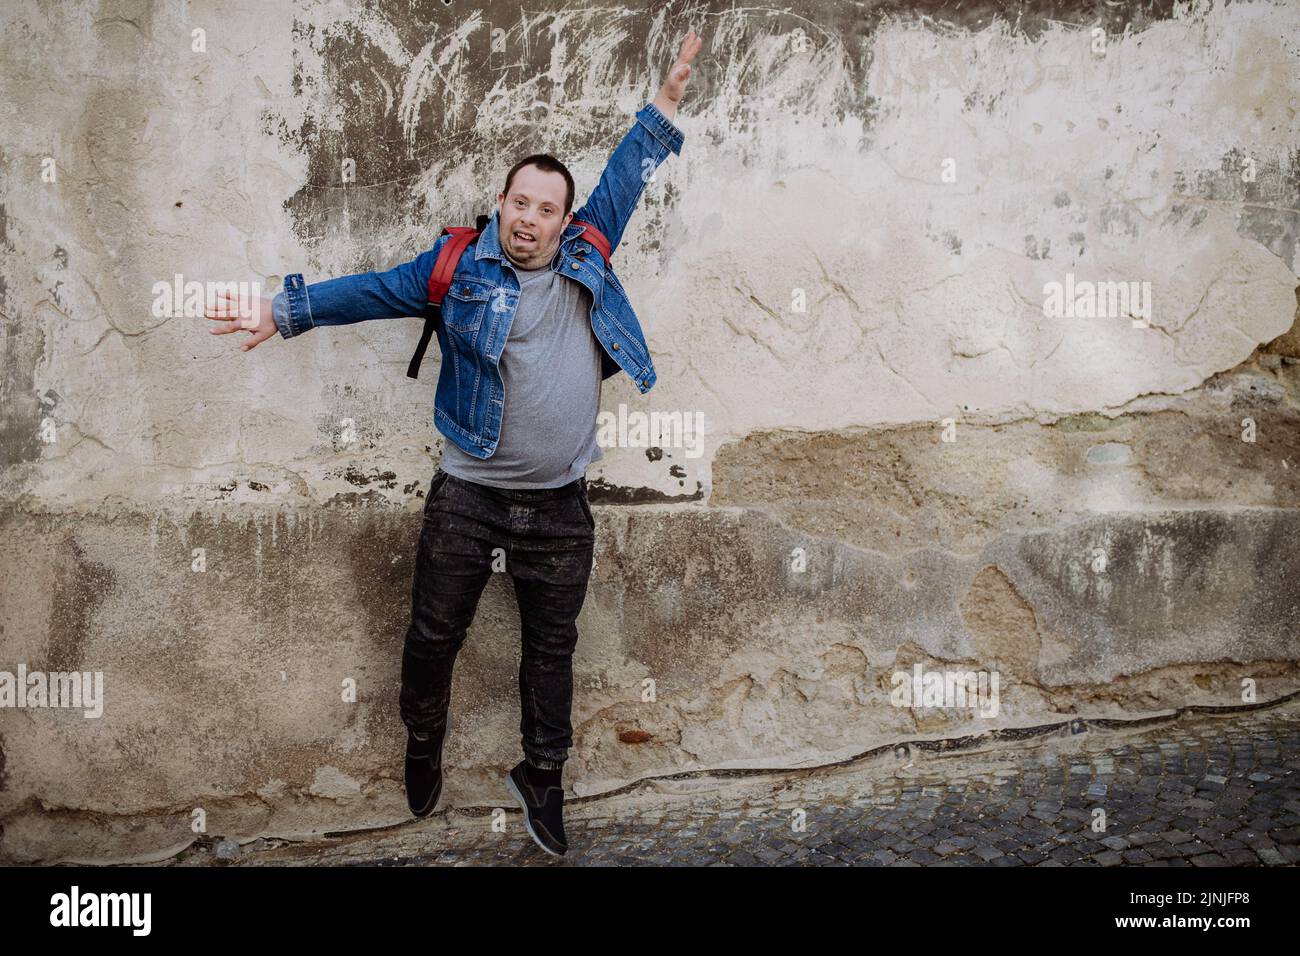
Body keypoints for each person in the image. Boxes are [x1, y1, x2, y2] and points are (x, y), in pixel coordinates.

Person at [206, 31, 702, 857]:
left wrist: (667, 104)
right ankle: (423, 742)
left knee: (553, 651)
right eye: (520, 203)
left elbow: (626, 174)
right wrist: (282, 310)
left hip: (561, 506)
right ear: (501, 204)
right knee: (434, 635)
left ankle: (542, 775)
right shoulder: (458, 268)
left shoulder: (589, 250)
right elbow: (368, 291)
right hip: (468, 497)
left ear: (563, 219)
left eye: (547, 208)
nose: (531, 219)